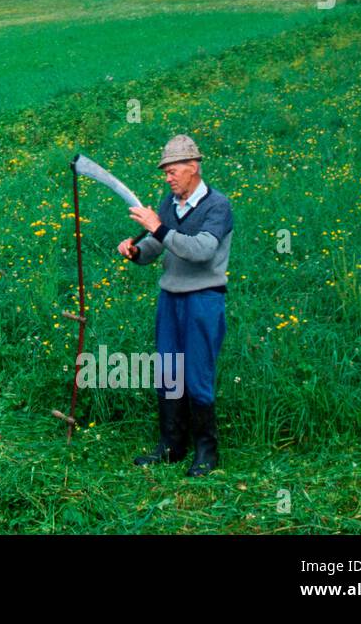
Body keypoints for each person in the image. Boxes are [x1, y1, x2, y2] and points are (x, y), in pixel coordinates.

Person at [117, 134, 233, 477]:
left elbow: (200, 251)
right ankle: (171, 446)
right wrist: (138, 252)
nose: (168, 178)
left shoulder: (217, 206)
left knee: (197, 373)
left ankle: (206, 453)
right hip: (170, 297)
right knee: (169, 372)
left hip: (203, 299)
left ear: (193, 168)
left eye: (173, 171)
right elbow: (158, 245)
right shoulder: (169, 203)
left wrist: (158, 226)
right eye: (165, 172)